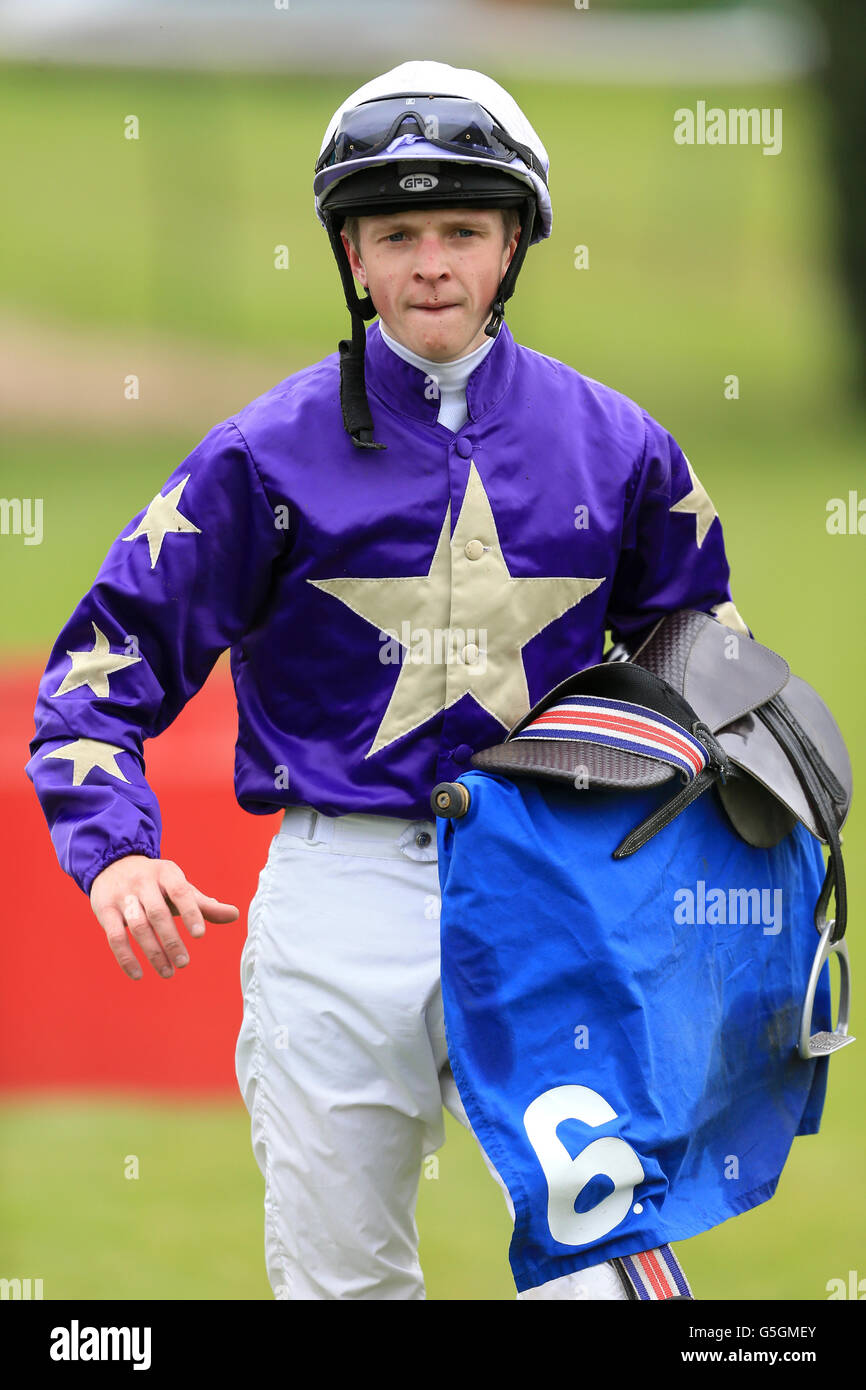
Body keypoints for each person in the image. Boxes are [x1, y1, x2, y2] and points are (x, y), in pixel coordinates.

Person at [26, 60, 747, 1300]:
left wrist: (743, 876)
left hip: (555, 888)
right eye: (395, 232)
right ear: (349, 254)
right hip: (335, 894)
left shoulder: (621, 447)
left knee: (603, 1268)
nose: (429, 263)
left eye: (462, 229)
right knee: (336, 1279)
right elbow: (102, 666)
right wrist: (116, 846)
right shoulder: (257, 456)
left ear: (513, 243)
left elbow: (716, 679)